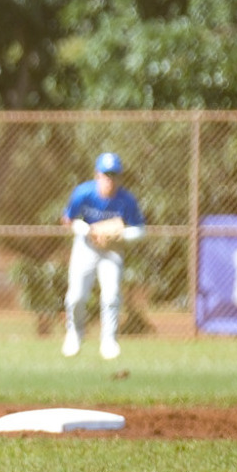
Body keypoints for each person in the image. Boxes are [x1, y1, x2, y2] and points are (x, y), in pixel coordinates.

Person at [59, 151, 145, 360]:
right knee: (77, 295)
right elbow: (67, 219)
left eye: (114, 175)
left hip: (112, 249)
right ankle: (75, 333)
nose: (110, 179)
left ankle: (109, 339)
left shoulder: (127, 200)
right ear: (97, 175)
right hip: (86, 246)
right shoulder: (83, 193)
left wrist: (120, 234)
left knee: (111, 294)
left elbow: (140, 229)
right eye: (106, 174)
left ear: (120, 177)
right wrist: (89, 230)